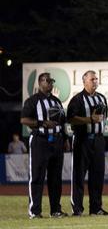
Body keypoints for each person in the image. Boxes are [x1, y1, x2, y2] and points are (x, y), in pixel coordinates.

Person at [20, 72, 69, 218]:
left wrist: (65, 139)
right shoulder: (33, 101)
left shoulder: (56, 101)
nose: (50, 84)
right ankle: (34, 211)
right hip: (40, 141)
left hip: (57, 141)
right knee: (37, 176)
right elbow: (24, 120)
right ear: (40, 82)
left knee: (55, 178)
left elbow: (62, 121)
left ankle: (55, 210)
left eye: (52, 81)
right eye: (48, 81)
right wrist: (42, 123)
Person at [67, 70, 108, 216]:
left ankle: (96, 208)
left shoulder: (101, 98)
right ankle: (77, 208)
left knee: (97, 175)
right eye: (92, 79)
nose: (95, 82)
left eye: (96, 79)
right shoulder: (77, 99)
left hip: (98, 139)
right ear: (84, 81)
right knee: (79, 175)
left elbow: (103, 118)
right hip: (82, 139)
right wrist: (89, 120)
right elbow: (71, 119)